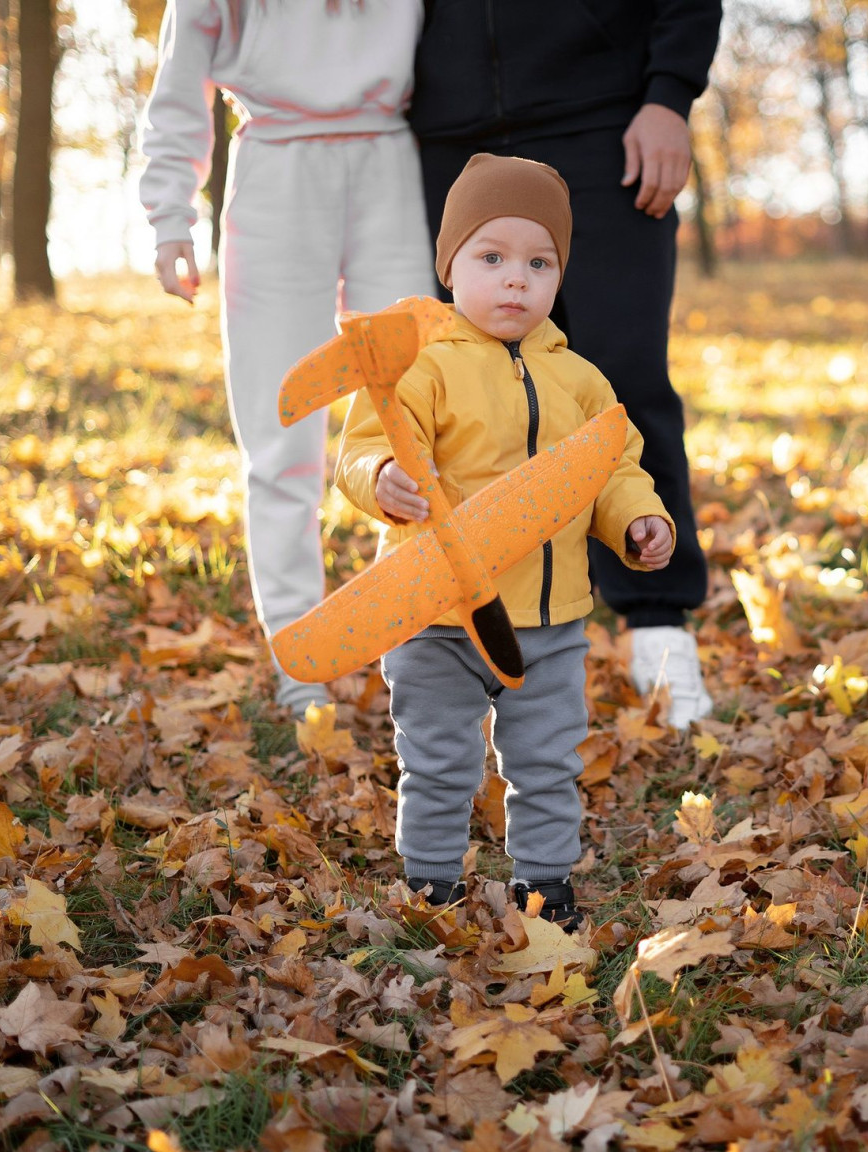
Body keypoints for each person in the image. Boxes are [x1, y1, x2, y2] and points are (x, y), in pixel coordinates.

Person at [336, 155, 673, 924]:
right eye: (491, 258)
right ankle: (430, 882)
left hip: (549, 624)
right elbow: (360, 446)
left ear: (560, 274)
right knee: (440, 761)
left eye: (538, 261)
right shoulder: (421, 370)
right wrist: (382, 476)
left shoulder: (582, 383)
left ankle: (545, 886)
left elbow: (615, 468)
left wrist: (636, 519)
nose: (515, 279)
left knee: (546, 762)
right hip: (436, 616)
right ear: (451, 266)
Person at [410, 1, 721, 730]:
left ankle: (658, 624)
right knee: (473, 396)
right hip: (443, 138)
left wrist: (669, 95)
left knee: (623, 379)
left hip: (603, 119)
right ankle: (490, 640)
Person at [138, 0, 434, 716]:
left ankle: (423, 646)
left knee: (424, 417)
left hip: (392, 161)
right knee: (280, 436)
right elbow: (180, 85)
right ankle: (299, 659)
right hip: (273, 167)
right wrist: (168, 215)